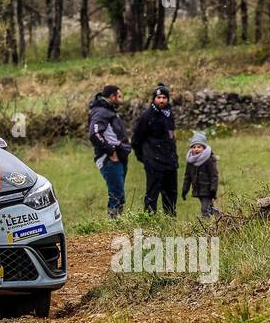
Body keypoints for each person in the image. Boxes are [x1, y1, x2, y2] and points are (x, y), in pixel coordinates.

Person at [131, 83, 179, 216]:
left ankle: (170, 222)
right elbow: (136, 140)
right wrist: (144, 158)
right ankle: (149, 222)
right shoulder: (147, 116)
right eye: (159, 97)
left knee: (171, 193)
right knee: (152, 193)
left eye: (164, 97)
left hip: (170, 161)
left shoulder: (169, 114)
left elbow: (171, 136)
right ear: (153, 99)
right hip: (154, 162)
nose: (162, 100)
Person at [88, 85, 131, 220]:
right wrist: (111, 152)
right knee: (116, 194)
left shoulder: (109, 111)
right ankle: (112, 226)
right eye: (119, 96)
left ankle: (118, 224)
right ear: (112, 97)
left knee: (119, 194)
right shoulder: (101, 112)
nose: (121, 100)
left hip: (119, 158)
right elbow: (94, 134)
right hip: (109, 159)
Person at [181, 131, 220, 218]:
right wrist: (185, 190)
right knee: (209, 208)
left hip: (208, 190)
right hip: (198, 190)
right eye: (194, 147)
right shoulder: (191, 161)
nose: (196, 149)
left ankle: (207, 226)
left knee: (205, 210)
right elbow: (187, 177)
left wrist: (213, 190)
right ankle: (220, 217)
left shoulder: (208, 160)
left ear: (204, 148)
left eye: (199, 147)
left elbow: (214, 176)